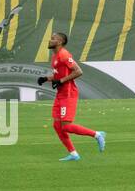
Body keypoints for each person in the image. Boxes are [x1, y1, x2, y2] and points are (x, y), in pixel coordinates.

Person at [39, 32, 105, 161]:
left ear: (60, 42)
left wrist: (61, 81)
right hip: (60, 94)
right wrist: (46, 78)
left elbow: (78, 71)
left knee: (67, 126)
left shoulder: (64, 55)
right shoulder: (55, 57)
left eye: (53, 38)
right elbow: (58, 77)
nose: (50, 40)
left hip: (68, 94)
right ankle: (74, 154)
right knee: (57, 126)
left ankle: (97, 135)